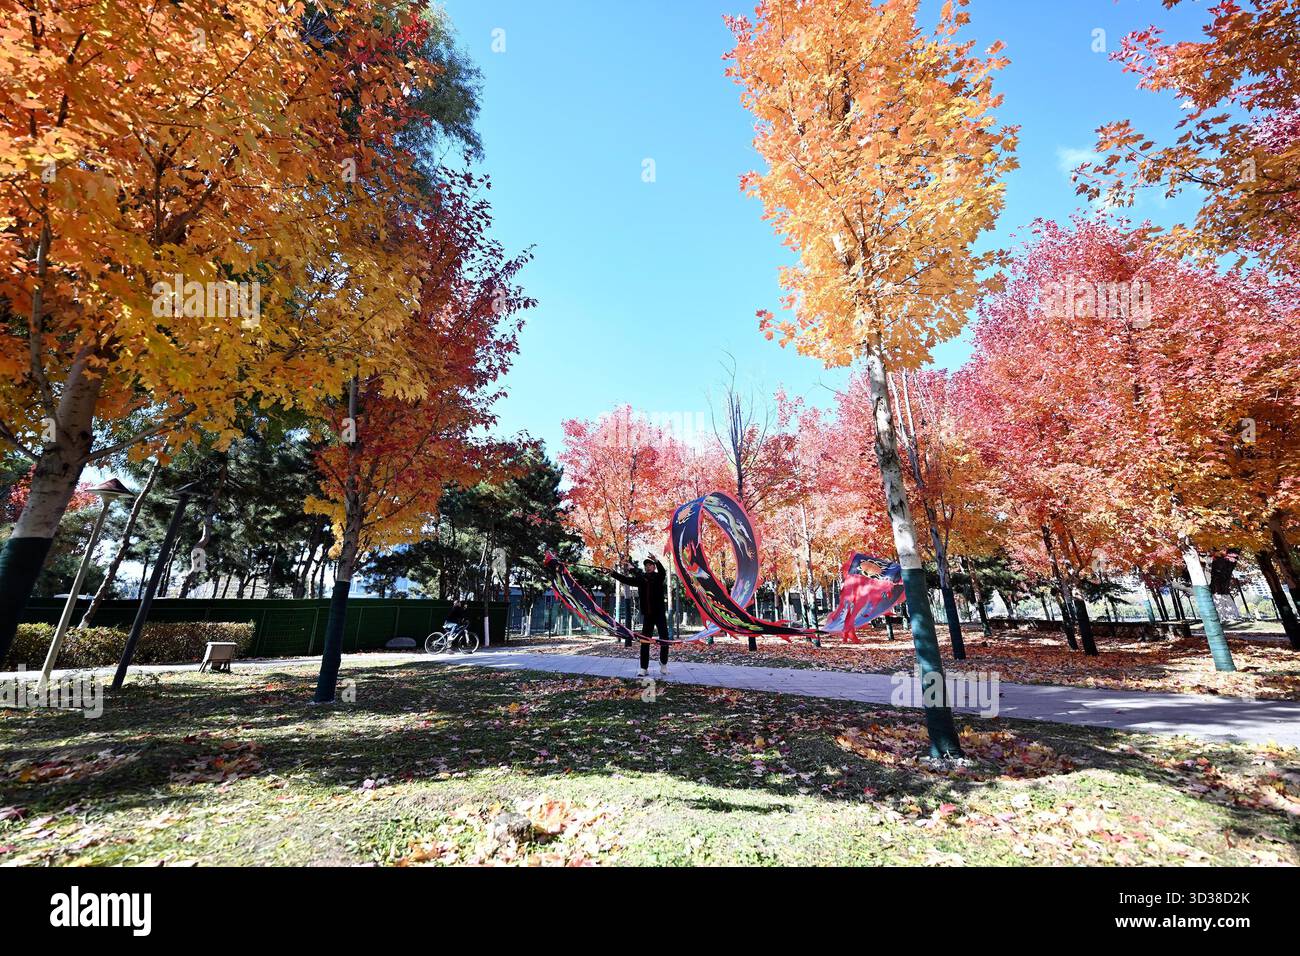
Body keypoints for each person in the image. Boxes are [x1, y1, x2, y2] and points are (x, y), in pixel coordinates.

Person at [611, 555, 671, 677]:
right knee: (645, 641)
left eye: (650, 565)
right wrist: (613, 573)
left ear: (654, 567)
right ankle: (644, 668)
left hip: (659, 615)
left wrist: (656, 560)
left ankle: (663, 664)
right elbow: (626, 580)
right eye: (646, 566)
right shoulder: (641, 579)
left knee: (664, 639)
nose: (648, 567)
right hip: (648, 615)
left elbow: (663, 571)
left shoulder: (659, 577)